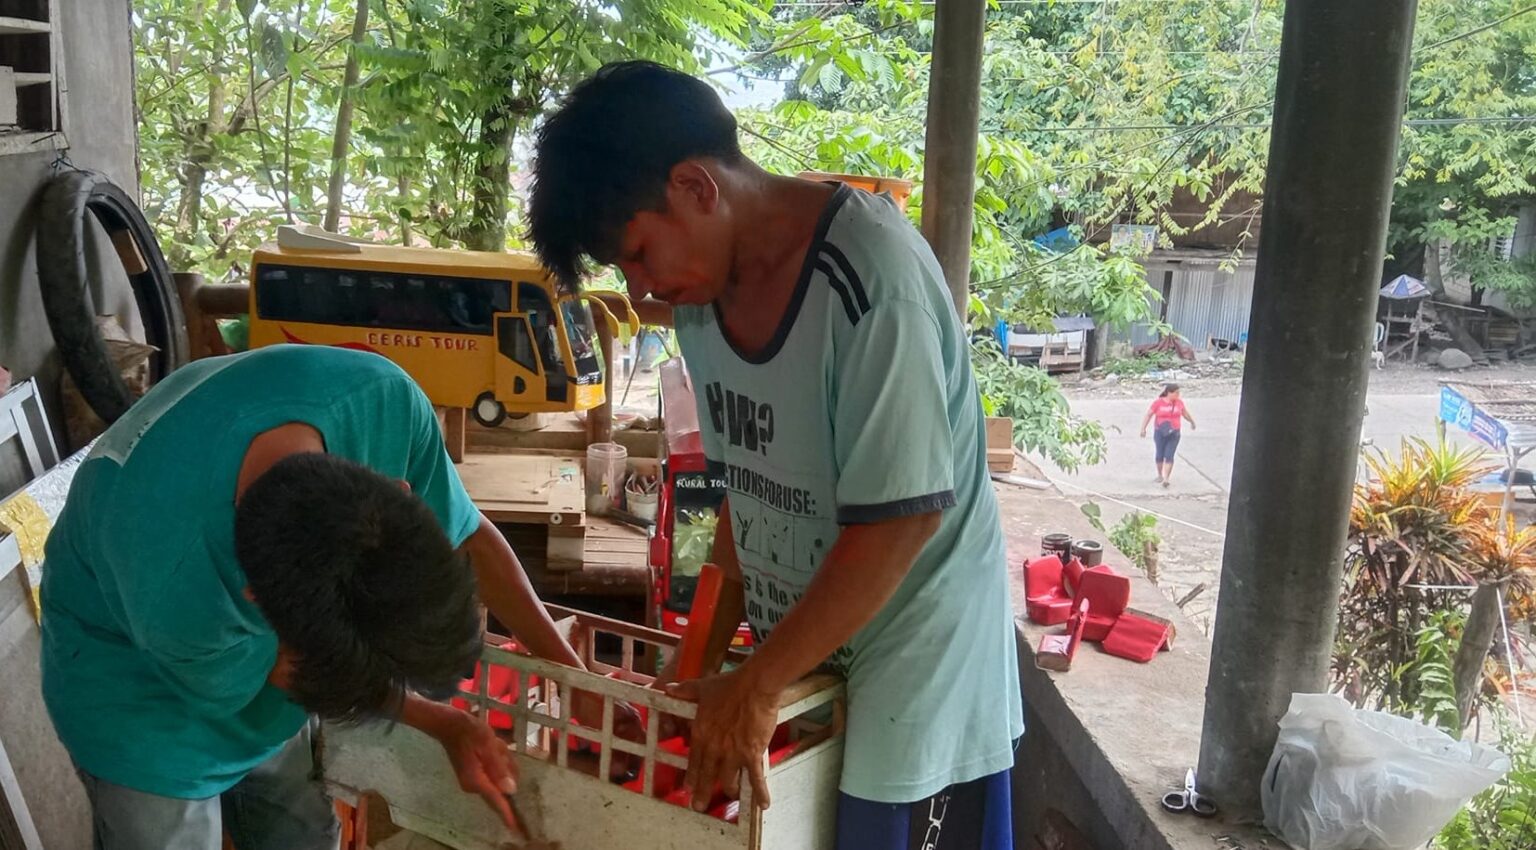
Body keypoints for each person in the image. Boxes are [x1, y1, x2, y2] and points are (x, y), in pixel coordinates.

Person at [529, 61, 1022, 850]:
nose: (641, 287)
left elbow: (901, 522)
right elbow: (745, 497)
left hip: (917, 669)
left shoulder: (870, 280)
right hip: (809, 654)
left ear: (696, 187)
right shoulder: (703, 306)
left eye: (640, 253)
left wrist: (755, 686)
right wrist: (692, 680)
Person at [39, 344, 604, 850]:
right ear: (257, 604)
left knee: (300, 829)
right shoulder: (173, 588)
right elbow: (299, 674)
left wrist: (574, 680)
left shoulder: (384, 405)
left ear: (398, 490)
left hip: (237, 634)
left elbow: (469, 537)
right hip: (134, 688)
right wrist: (438, 722)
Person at [1139, 383, 1197, 487]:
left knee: (1169, 455)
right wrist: (1143, 428)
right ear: (1169, 393)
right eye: (1176, 393)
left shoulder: (1179, 403)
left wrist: (1192, 422)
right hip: (1160, 432)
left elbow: (1185, 413)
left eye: (1179, 393)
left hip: (1174, 432)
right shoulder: (1158, 403)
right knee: (1160, 454)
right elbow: (1148, 415)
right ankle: (1160, 475)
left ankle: (1166, 479)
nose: (1178, 395)